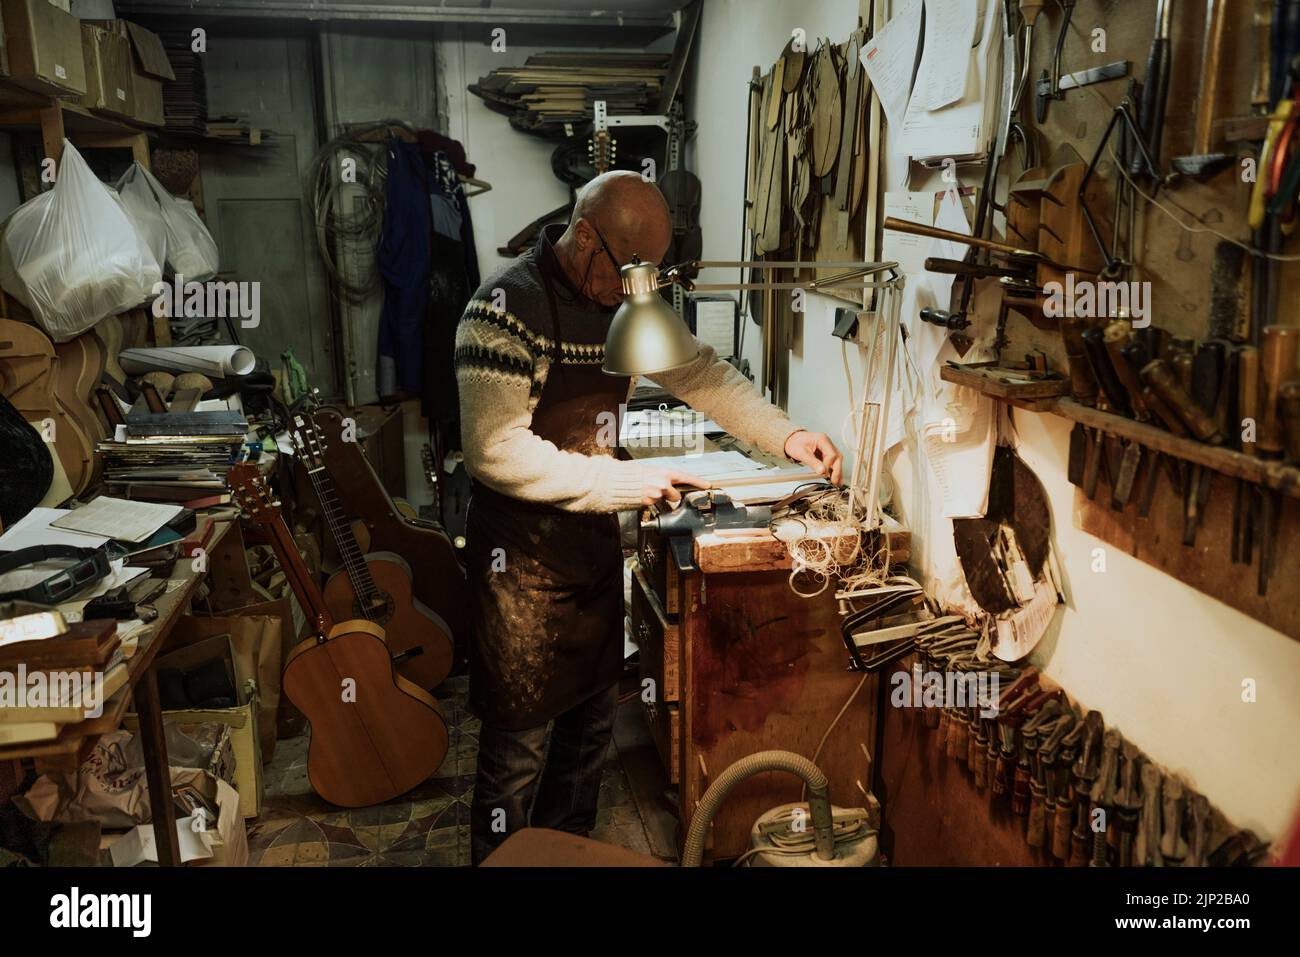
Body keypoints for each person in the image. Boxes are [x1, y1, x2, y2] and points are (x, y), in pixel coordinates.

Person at [454, 170, 843, 863]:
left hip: (589, 550)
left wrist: (786, 436)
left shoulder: (626, 301)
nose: (640, 286)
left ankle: (567, 856)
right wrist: (625, 480)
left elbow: (700, 374)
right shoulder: (503, 309)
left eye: (653, 272)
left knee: (586, 741)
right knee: (519, 753)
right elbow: (494, 451)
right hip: (519, 568)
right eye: (630, 268)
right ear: (584, 237)